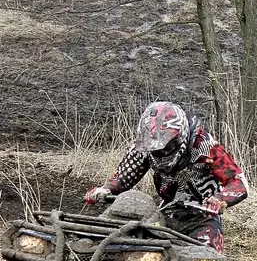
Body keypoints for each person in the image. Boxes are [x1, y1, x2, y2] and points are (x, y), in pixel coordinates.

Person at [85, 101, 248, 252]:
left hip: (202, 216)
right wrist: (105, 189)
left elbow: (238, 181)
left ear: (181, 135)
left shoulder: (204, 146)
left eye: (167, 145)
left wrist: (220, 199)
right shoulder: (143, 147)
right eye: (155, 149)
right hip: (166, 210)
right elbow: (123, 177)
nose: (161, 152)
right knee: (136, 249)